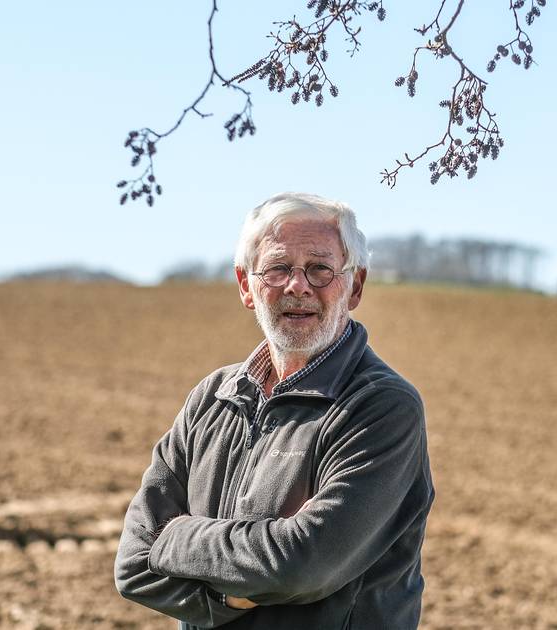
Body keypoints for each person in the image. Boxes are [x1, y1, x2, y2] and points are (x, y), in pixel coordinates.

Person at [114, 192, 435, 629]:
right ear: (247, 286)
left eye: (320, 269)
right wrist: (231, 596)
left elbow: (303, 563)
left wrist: (175, 537)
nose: (297, 285)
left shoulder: (380, 407)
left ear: (355, 286)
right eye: (278, 268)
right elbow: (133, 565)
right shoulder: (212, 398)